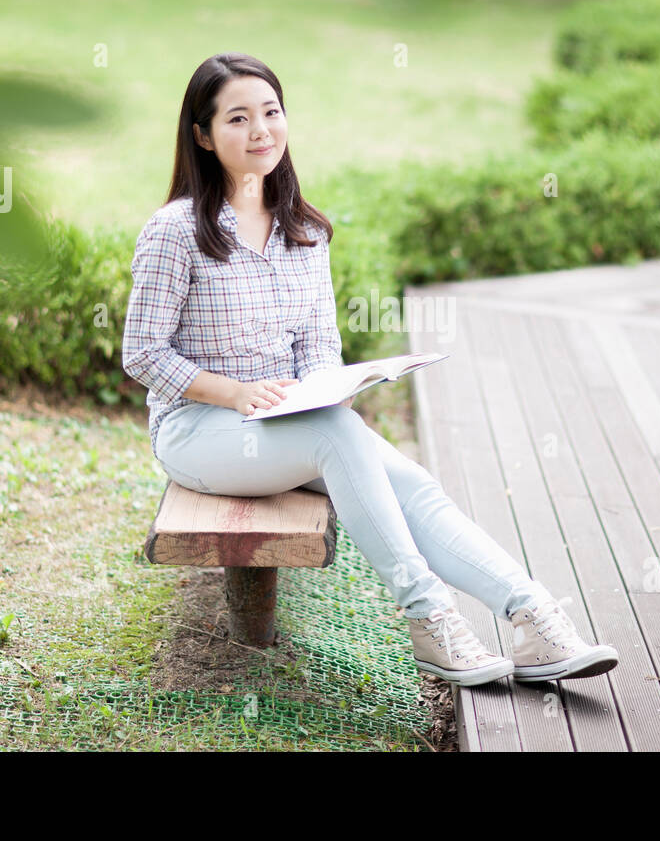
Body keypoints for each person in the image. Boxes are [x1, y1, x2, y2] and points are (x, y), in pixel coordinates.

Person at [122, 51, 618, 686]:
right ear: (203, 135)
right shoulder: (175, 232)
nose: (260, 131)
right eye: (238, 119)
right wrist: (239, 393)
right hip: (197, 429)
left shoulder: (304, 232)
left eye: (271, 113)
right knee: (337, 437)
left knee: (414, 486)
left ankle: (531, 616)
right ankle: (429, 616)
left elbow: (320, 347)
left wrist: (331, 388)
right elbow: (142, 353)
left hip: (287, 422)